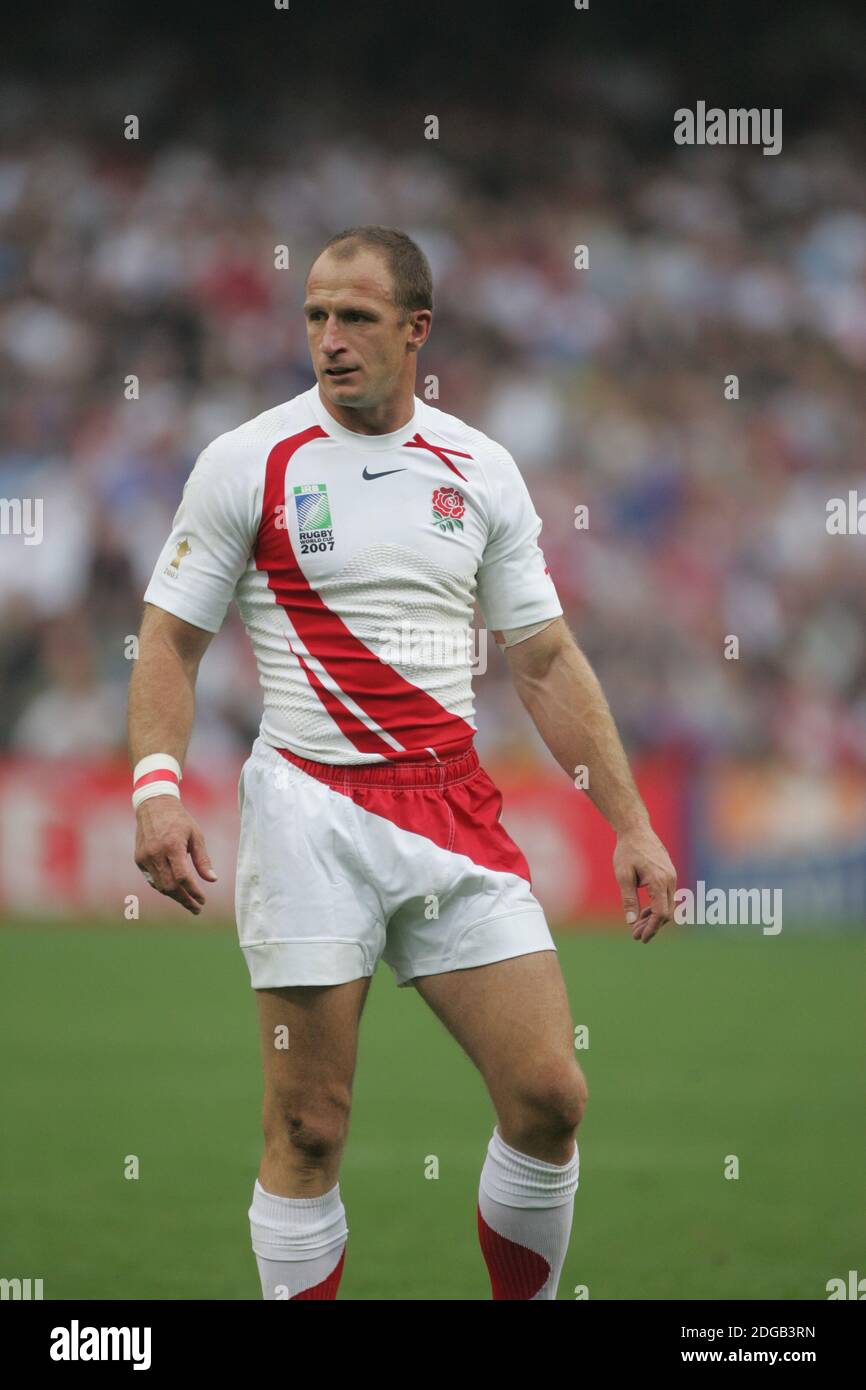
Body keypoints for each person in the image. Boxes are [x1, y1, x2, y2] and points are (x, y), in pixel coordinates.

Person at [128, 224, 677, 1301]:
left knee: (549, 1096)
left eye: (357, 319)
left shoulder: (477, 467)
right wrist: (156, 784)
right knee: (308, 1125)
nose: (328, 340)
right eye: (315, 317)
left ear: (415, 330)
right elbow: (168, 639)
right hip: (305, 812)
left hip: (449, 810)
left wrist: (632, 823)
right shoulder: (248, 460)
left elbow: (545, 659)